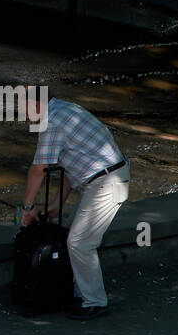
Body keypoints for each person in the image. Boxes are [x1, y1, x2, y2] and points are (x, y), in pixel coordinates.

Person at [19, 94, 129, 320]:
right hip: (102, 178)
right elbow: (73, 164)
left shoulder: (52, 122)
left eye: (24, 109)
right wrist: (57, 205)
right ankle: (75, 293)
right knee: (73, 236)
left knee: (79, 242)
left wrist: (28, 207)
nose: (23, 115)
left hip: (106, 182)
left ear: (36, 104)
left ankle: (95, 302)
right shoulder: (64, 110)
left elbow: (38, 170)